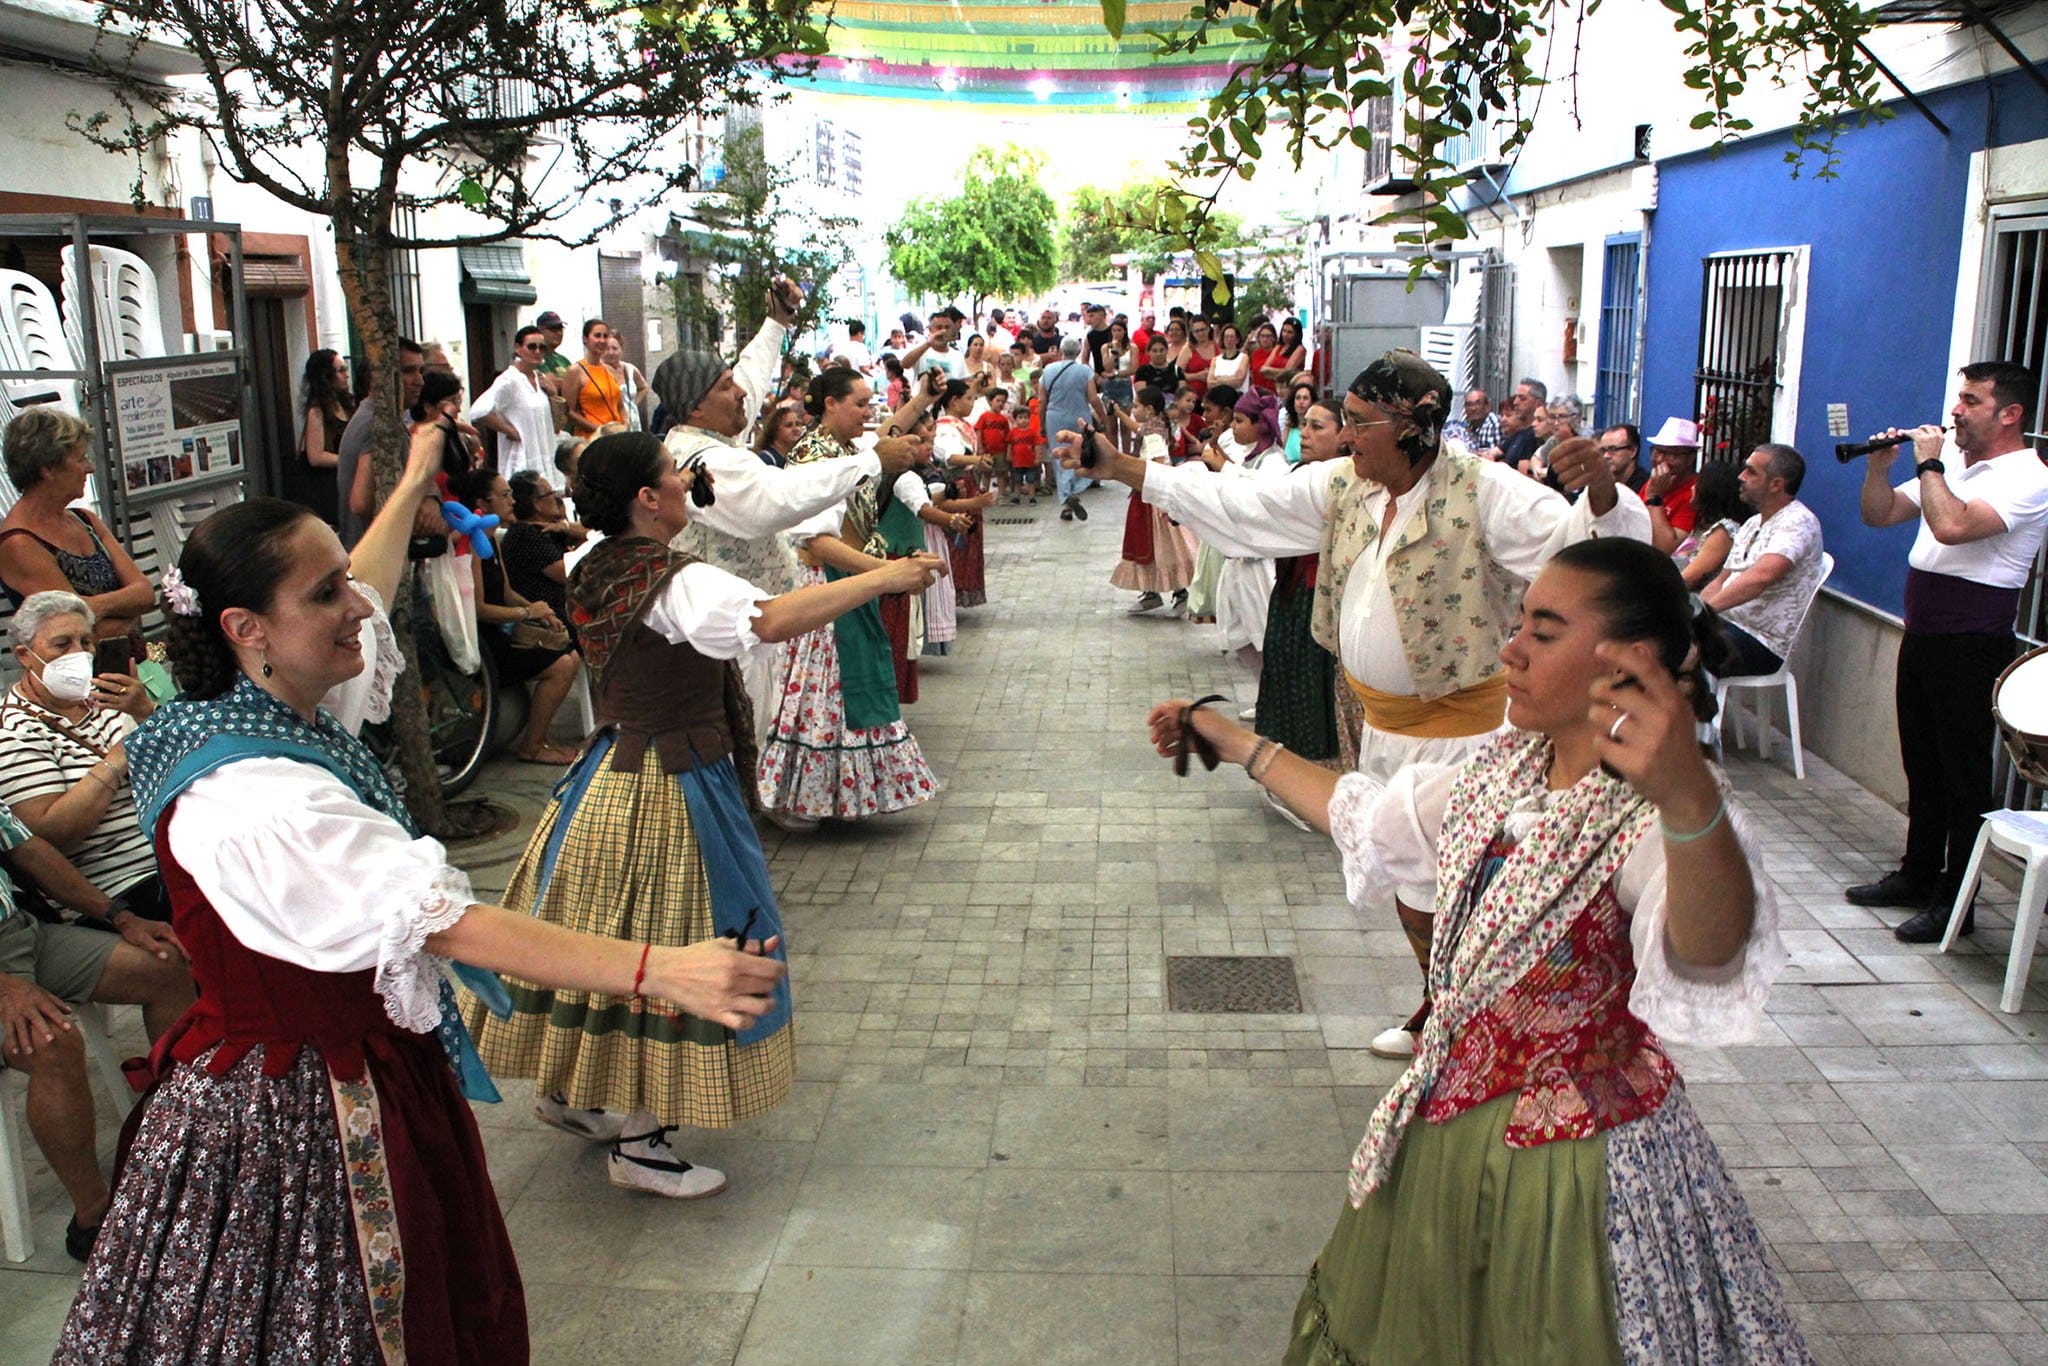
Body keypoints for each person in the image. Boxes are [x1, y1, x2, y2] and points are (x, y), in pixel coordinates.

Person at [56, 478, 788, 1358]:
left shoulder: (235, 711)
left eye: (346, 579)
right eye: (326, 592)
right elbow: (441, 922)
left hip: (343, 1068)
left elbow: (360, 575)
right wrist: (660, 970)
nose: (358, 602)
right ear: (245, 628)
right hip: (305, 1101)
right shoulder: (256, 793)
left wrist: (413, 478)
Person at [1145, 537, 1803, 1364]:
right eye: (1522, 621)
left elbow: (1710, 950)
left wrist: (1687, 798)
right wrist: (1232, 739)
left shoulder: (1654, 818)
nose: (1512, 649)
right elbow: (1365, 813)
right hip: (1453, 1130)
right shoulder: (1505, 776)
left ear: (1630, 663)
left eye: (1545, 630)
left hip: (1569, 1176)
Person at [1061, 350, 1650, 1059]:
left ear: (1414, 426)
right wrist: (1124, 467)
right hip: (1383, 730)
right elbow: (1245, 506)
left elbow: (1583, 560)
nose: (1346, 435)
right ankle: (1442, 1006)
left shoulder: (1486, 492)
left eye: (1361, 422)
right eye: (1345, 420)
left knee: (1466, 891)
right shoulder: (1344, 487)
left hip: (1469, 738)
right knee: (1412, 881)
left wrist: (1605, 504)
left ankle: (1475, 1025)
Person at [466, 434, 939, 1196]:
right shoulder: (673, 581)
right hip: (671, 777)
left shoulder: (597, 558)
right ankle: (643, 1140)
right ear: (647, 500)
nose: (690, 488)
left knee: (597, 927)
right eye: (674, 481)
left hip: (612, 770)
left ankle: (575, 1092)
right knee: (685, 935)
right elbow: (771, 619)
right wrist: (885, 575)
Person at [657, 274, 920, 745]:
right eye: (724, 388)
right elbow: (775, 500)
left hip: (756, 628)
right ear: (696, 409)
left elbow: (751, 378)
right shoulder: (706, 460)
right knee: (746, 740)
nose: (740, 393)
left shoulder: (710, 437)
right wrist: (870, 461)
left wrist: (776, 322)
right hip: (733, 638)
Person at [1850, 361, 2048, 941]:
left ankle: (1956, 900)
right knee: (1922, 763)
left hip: (1972, 644)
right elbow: (1880, 513)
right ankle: (1917, 873)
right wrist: (1880, 469)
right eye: (1958, 398)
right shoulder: (1956, 464)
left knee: (1962, 777)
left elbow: (1953, 528)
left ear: (2009, 413)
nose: (1955, 410)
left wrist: (1930, 462)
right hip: (1925, 634)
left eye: (1970, 400)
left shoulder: (2028, 477)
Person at [0, 717, 190, 1264]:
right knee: (52, 1041)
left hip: (21, 934)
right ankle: (94, 1216)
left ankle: (177, 1141)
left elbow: (30, 851)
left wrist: (119, 915)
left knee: (165, 964)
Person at [761, 371, 946, 827]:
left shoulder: (843, 451)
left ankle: (824, 796)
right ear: (830, 404)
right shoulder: (814, 458)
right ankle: (796, 797)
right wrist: (887, 573)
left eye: (871, 403)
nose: (869, 413)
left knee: (841, 690)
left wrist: (922, 397)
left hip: (846, 579)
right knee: (818, 693)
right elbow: (815, 543)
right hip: (822, 584)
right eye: (860, 404)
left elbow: (884, 438)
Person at [0, 590, 166, 920]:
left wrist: (146, 713)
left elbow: (183, 765)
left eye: (86, 642)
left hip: (182, 851)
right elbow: (51, 835)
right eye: (63, 645)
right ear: (24, 654)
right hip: (123, 884)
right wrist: (116, 761)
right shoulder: (13, 730)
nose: (79, 654)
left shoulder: (105, 696)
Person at [451, 469, 583, 765]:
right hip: (484, 640)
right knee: (561, 665)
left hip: (503, 628)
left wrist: (541, 612)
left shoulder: (492, 539)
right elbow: (480, 608)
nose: (512, 501)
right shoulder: (472, 544)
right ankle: (532, 745)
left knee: (570, 656)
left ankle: (540, 737)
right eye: (504, 495)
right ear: (482, 504)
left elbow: (508, 591)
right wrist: (526, 612)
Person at [1252, 397, 1346, 789]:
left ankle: (1319, 777)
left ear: (1345, 436)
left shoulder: (1348, 481)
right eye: (1303, 424)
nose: (1305, 434)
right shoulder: (1295, 475)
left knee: (1315, 684)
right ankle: (1285, 768)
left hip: (1320, 596)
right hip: (1291, 593)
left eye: (1318, 426)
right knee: (1284, 670)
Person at [0, 409, 154, 645]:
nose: (90, 468)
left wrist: (94, 606)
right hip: (76, 674)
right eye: (81, 459)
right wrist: (127, 612)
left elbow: (145, 593)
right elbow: (80, 633)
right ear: (48, 469)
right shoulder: (18, 542)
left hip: (131, 664)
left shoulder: (86, 519)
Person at [1698, 443, 1825, 679]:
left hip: (1762, 643)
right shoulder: (1752, 523)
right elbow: (1722, 580)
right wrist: (1695, 613)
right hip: (1727, 625)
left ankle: (1685, 714)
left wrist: (1704, 614)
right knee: (1659, 637)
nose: (1741, 476)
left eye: (1751, 471)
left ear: (1776, 484)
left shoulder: (1799, 523)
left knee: (1677, 649)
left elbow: (1762, 577)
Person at [1110, 386, 1199, 616]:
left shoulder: (1153, 433)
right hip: (1147, 493)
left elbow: (1158, 461)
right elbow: (1137, 428)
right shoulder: (1155, 426)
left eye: (1137, 406)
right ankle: (1151, 592)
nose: (1134, 410)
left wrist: (1154, 490)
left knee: (1163, 545)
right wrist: (1119, 413)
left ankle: (1179, 593)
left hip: (1152, 497)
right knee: (1146, 543)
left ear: (1149, 409)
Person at [336, 338, 428, 546]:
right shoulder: (378, 424)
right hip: (375, 558)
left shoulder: (381, 418)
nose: (419, 381)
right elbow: (360, 503)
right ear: (380, 376)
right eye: (408, 371)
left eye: (421, 371)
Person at [500, 470, 588, 632]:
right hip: (553, 617)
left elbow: (592, 531)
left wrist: (567, 528)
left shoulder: (548, 528)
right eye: (551, 493)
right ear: (536, 503)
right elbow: (566, 573)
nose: (557, 498)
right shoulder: (525, 534)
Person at [469, 325, 557, 480]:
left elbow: (555, 421)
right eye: (532, 347)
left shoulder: (541, 378)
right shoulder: (509, 380)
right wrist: (508, 429)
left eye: (541, 347)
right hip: (521, 459)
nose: (537, 351)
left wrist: (553, 393)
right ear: (518, 348)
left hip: (546, 458)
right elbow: (478, 411)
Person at [1039, 337, 1104, 522]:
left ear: (1060, 350)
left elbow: (1042, 400)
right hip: (1079, 417)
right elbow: (1092, 397)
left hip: (1054, 417)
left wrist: (1041, 423)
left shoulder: (1048, 370)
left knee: (1060, 455)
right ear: (1078, 352)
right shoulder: (1085, 371)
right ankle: (1073, 491)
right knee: (1079, 454)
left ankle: (1066, 499)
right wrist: (1102, 415)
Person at [289, 348, 353, 524]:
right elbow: (316, 456)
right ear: (326, 376)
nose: (346, 375)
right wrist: (349, 459)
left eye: (346, 369)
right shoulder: (317, 410)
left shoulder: (347, 404)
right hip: (328, 489)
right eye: (340, 370)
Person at [1677, 461, 1746, 589]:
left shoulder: (1723, 532)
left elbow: (1691, 577)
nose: (1692, 487)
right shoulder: (1703, 524)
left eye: (1697, 483)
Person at [1642, 415, 1703, 554]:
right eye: (1657, 451)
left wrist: (1654, 498)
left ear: (1690, 458)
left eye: (1671, 454)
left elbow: (1665, 547)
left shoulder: (1694, 492)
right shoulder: (1654, 482)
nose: (1659, 460)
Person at [562, 319, 630, 436]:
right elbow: (569, 412)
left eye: (605, 336)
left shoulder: (609, 370)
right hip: (592, 439)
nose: (602, 340)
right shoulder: (576, 371)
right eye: (597, 336)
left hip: (616, 437)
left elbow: (619, 405)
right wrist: (599, 430)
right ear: (585, 339)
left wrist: (626, 423)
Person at [603, 333, 652, 431]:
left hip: (633, 422)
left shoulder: (630, 369)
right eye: (607, 349)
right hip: (611, 424)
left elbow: (644, 388)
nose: (611, 352)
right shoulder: (599, 371)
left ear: (621, 350)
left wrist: (633, 403)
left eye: (614, 348)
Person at [1444, 387, 1501, 455]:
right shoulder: (1466, 426)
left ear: (1487, 406)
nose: (1473, 408)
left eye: (1477, 403)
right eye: (1469, 405)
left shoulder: (1494, 424)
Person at [754, 398, 806, 468]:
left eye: (798, 424)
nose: (795, 429)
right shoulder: (766, 459)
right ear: (775, 430)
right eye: (789, 425)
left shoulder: (798, 457)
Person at [1209, 323, 1253, 393]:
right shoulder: (1215, 360)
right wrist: (1231, 378)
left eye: (1232, 336)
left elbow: (1238, 382)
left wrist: (1219, 379)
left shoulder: (1243, 358)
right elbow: (1210, 383)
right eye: (1226, 337)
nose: (1229, 339)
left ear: (1237, 340)